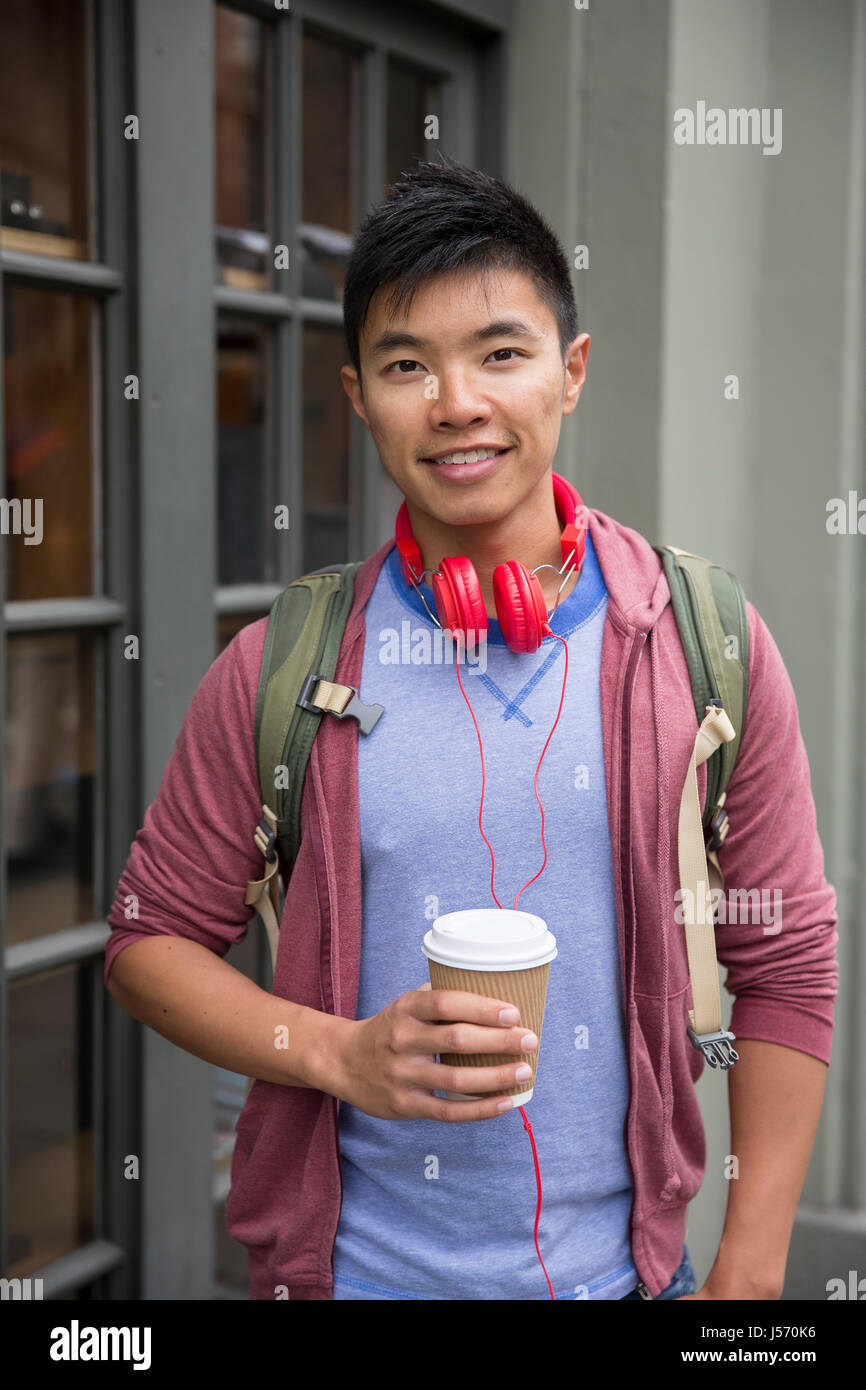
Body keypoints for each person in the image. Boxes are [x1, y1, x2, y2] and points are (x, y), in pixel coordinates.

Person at [104, 159, 838, 1302]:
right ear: (359, 397)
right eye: (408, 365)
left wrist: (743, 1283)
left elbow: (786, 961)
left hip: (634, 1282)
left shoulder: (706, 643)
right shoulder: (278, 668)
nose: (456, 403)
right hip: (345, 1281)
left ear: (570, 371)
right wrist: (338, 1054)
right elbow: (145, 947)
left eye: (501, 352)